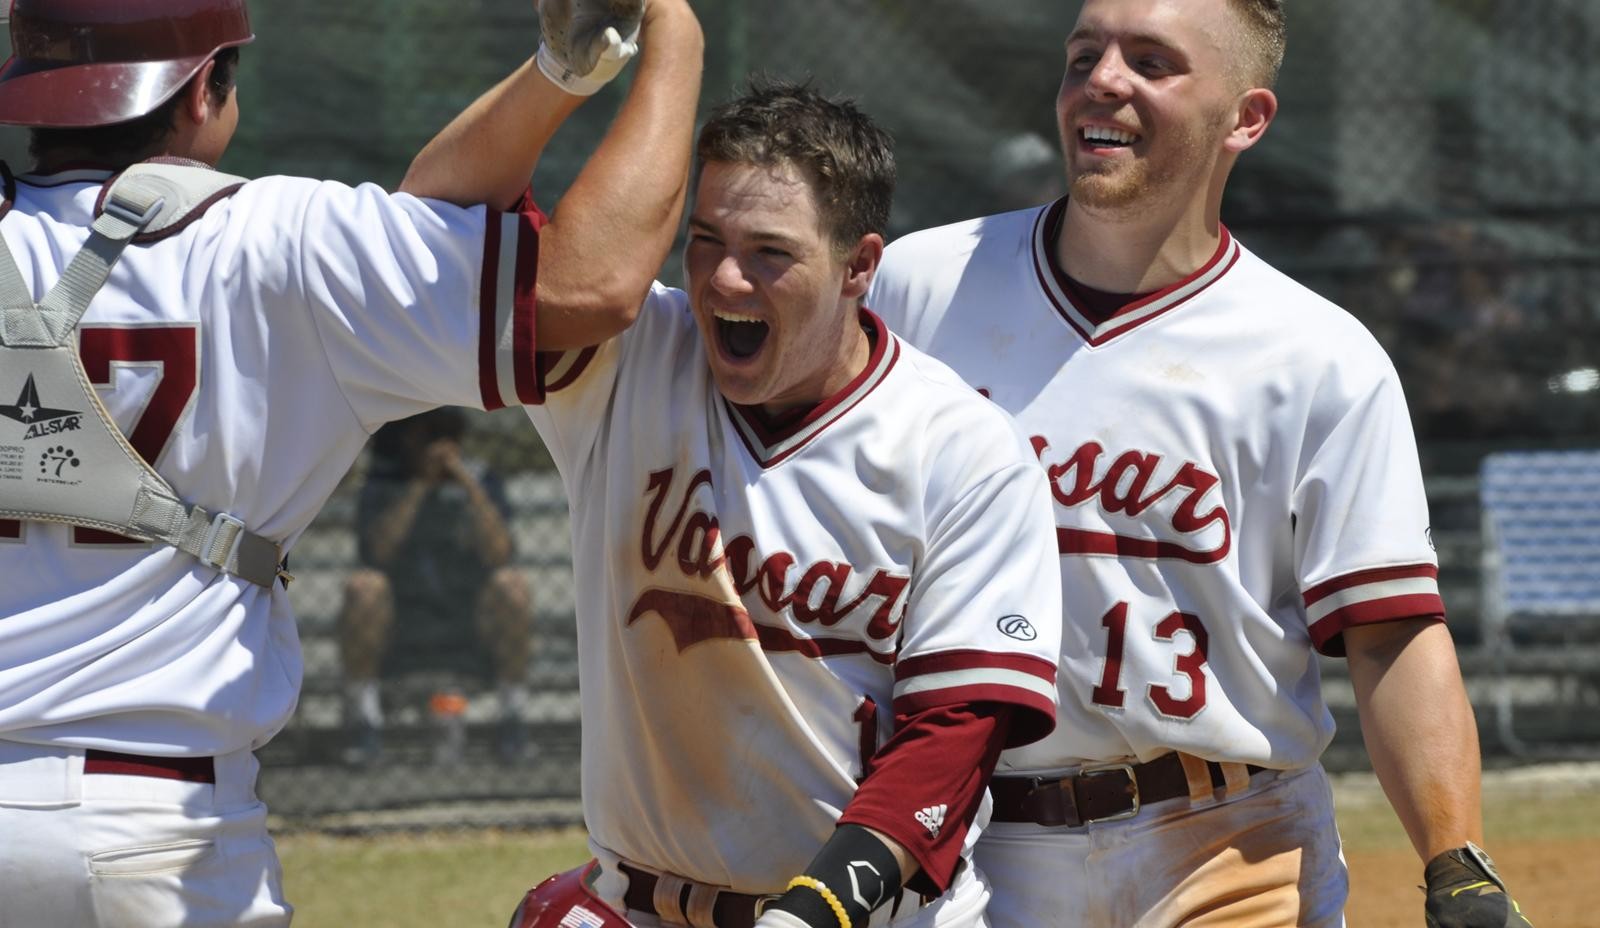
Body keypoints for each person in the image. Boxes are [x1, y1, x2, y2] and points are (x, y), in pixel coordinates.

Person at [0, 0, 703, 923]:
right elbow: (593, 286)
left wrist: (553, 77)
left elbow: (439, 214)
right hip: (156, 832)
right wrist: (676, 37)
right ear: (207, 91)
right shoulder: (280, 241)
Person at [867, 1, 1533, 926]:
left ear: (1246, 120)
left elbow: (1389, 630)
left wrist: (1454, 857)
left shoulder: (1317, 356)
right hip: (971, 845)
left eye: (1151, 61)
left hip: (1229, 844)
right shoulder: (920, 285)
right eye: (1085, 53)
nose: (1102, 79)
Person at [505, 80, 1064, 928]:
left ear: (860, 267)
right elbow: (456, 233)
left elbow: (956, 727)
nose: (725, 277)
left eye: (770, 251)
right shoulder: (629, 361)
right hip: (639, 899)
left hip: (862, 913)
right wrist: (566, 74)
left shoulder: (958, 446)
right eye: (704, 240)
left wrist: (819, 907)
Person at [339, 407, 536, 766]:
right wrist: (420, 486)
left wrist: (466, 483)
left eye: (447, 436)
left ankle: (513, 719)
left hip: (470, 615)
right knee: (364, 587)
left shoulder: (480, 479)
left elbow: (500, 553)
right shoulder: (386, 481)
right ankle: (364, 723)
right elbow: (378, 553)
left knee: (512, 584)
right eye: (428, 436)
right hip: (400, 617)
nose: (439, 447)